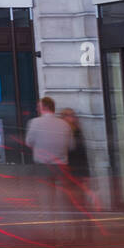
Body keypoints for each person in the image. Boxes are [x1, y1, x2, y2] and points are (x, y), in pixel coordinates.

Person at [26, 96, 76, 235]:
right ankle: (67, 236)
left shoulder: (35, 123)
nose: (37, 109)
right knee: (64, 204)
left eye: (38, 106)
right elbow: (71, 146)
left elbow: (29, 142)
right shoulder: (64, 124)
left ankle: (51, 235)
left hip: (43, 167)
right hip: (62, 167)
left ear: (43, 107)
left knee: (47, 203)